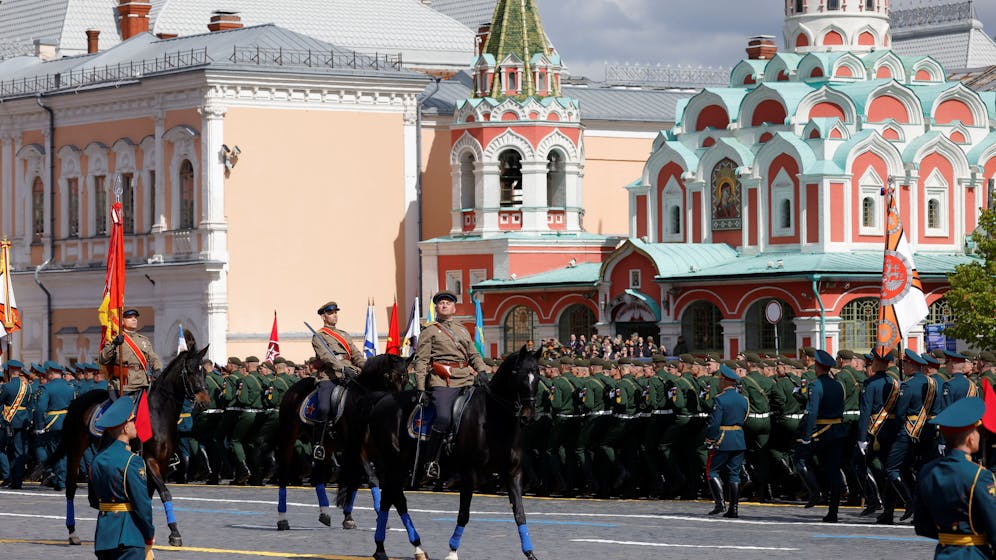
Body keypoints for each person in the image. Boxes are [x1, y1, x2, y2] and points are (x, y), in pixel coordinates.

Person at [412, 290, 488, 481]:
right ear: (436, 308)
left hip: (466, 379)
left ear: (454, 307)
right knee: (444, 418)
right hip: (443, 381)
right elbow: (421, 361)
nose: (444, 305)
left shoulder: (462, 329)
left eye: (448, 303)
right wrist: (421, 387)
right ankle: (431, 461)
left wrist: (483, 371)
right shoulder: (429, 331)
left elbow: (473, 354)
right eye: (441, 303)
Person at [914, 397, 996, 558]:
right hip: (974, 553)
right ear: (970, 438)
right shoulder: (980, 475)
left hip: (943, 552)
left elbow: (922, 526)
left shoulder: (927, 471)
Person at [87, 395, 155, 560]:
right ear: (125, 428)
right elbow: (142, 503)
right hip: (129, 534)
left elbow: (94, 500)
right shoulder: (132, 461)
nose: (135, 424)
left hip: (104, 534)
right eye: (133, 421)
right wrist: (149, 533)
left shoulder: (96, 460)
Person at [799, 349, 846, 523]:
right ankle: (833, 511)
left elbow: (812, 413)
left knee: (801, 459)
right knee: (833, 470)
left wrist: (806, 436)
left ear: (818, 367)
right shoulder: (838, 384)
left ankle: (815, 492)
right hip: (838, 431)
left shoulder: (815, 385)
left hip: (821, 432)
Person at [310, 301, 365, 427]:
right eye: (330, 313)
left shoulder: (344, 335)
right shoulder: (319, 336)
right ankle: (319, 442)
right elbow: (327, 357)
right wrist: (344, 368)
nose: (335, 315)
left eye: (335, 313)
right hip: (330, 377)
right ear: (323, 316)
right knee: (324, 408)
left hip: (351, 374)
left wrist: (365, 366)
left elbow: (355, 354)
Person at [704, 364, 748, 518]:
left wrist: (710, 437)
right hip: (739, 438)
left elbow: (715, 423)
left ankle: (720, 503)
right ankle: (734, 508)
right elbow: (744, 418)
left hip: (723, 439)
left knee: (712, 471)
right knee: (734, 474)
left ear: (724, 381)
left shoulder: (720, 399)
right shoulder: (743, 400)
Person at [98, 309, 162, 396]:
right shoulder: (115, 339)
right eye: (129, 317)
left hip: (142, 383)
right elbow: (103, 359)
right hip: (122, 385)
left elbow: (153, 357)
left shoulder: (143, 340)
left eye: (135, 317)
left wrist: (157, 368)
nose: (134, 319)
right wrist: (113, 344)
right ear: (122, 321)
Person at [0, 360, 33, 489]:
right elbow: (31, 406)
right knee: (19, 451)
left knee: (3, 449)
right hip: (23, 421)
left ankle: (8, 476)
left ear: (9, 370)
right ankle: (17, 481)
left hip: (9, 421)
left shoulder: (7, 387)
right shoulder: (28, 387)